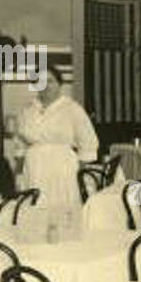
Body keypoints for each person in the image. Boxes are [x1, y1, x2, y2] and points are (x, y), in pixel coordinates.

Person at [16, 66, 99, 208]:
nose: (46, 85)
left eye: (50, 81)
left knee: (62, 207)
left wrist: (80, 174)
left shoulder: (72, 108)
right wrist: (18, 172)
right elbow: (19, 144)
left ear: (60, 84)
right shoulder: (28, 110)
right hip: (34, 167)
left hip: (62, 167)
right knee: (34, 207)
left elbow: (88, 142)